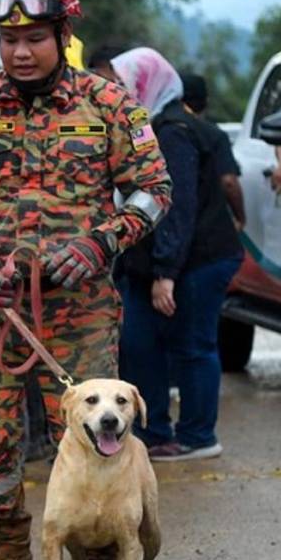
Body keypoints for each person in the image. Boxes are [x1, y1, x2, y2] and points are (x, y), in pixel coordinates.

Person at [0, 0, 171, 560]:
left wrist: (100, 243)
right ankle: (3, 548)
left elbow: (153, 192)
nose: (21, 51)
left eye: (34, 38)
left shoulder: (105, 104)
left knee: (100, 439)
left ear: (62, 33)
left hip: (83, 309)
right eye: (8, 39)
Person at [114, 50, 243, 462]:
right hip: (161, 261)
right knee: (141, 343)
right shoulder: (149, 127)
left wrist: (165, 272)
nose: (117, 92)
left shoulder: (172, 132)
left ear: (146, 85)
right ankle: (155, 434)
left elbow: (176, 205)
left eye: (123, 84)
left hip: (197, 260)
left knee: (193, 345)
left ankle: (197, 435)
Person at [181, 72, 245, 227]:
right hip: (208, 230)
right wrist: (240, 218)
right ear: (206, 101)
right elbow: (229, 182)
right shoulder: (215, 135)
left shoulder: (162, 131)